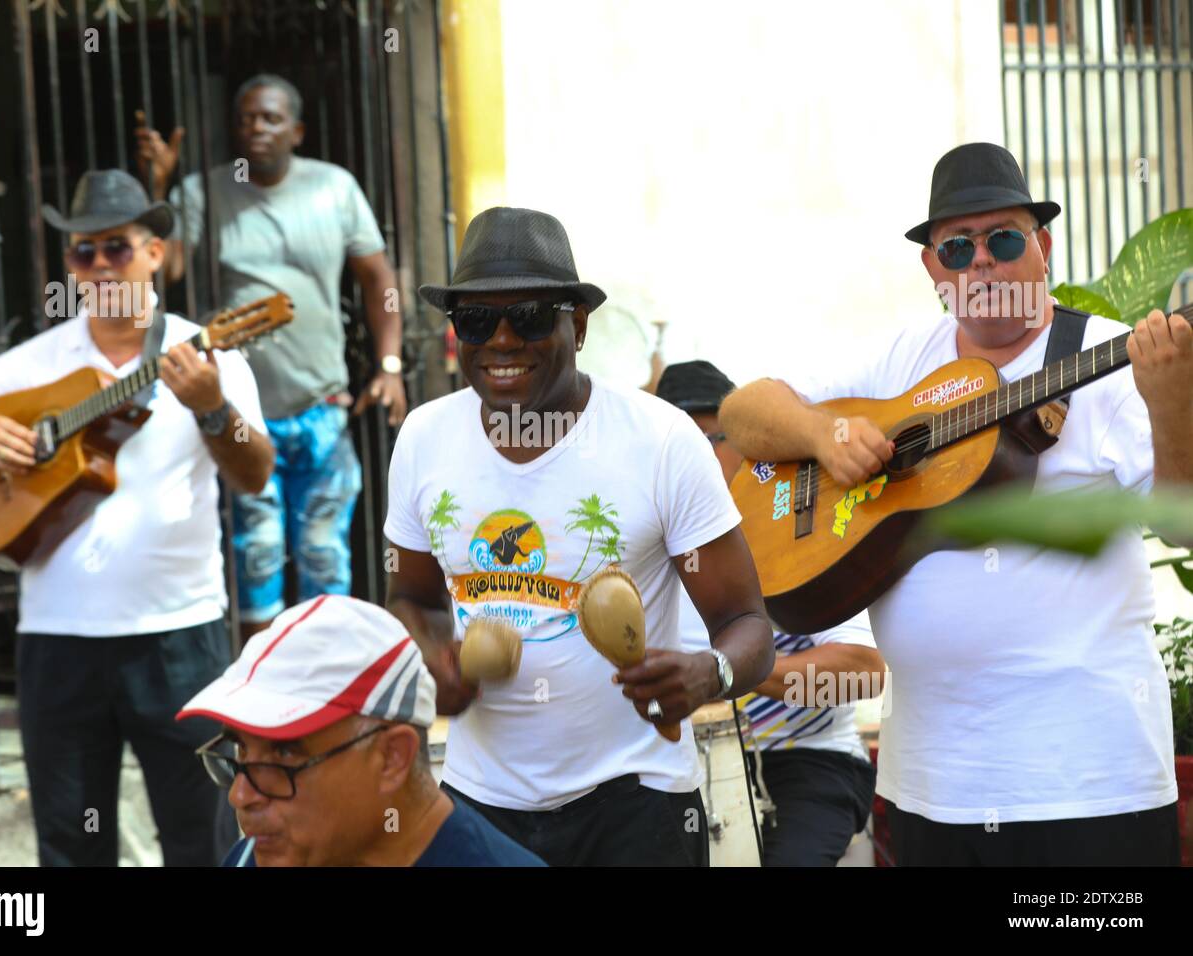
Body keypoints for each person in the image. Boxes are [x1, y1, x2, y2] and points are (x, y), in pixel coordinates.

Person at [720, 142, 1191, 866]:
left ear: (1042, 247)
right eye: (957, 247)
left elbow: (1177, 521)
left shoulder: (1108, 357)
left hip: (1090, 783)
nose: (983, 263)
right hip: (935, 788)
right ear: (933, 268)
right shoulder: (900, 358)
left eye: (1003, 239)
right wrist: (825, 433)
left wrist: (1173, 407)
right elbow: (745, 411)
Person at [383, 207, 775, 867]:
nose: (501, 340)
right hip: (479, 805)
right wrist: (436, 660)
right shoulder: (424, 438)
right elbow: (412, 600)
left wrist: (710, 673)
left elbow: (747, 625)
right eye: (476, 320)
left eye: (530, 315)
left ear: (580, 325)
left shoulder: (660, 439)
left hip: (638, 801)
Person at [0, 169, 275, 865]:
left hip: (177, 637)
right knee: (71, 847)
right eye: (83, 252)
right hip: (58, 643)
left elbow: (255, 474)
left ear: (155, 253)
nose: (101, 265)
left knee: (203, 837)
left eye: (117, 247)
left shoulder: (205, 352)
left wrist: (212, 409)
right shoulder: (34, 365)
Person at [135, 74, 406, 642]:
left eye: (271, 119)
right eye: (246, 119)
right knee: (256, 553)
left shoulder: (334, 188)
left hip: (322, 404)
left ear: (298, 130)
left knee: (323, 550)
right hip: (238, 412)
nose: (256, 129)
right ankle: (265, 687)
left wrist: (389, 366)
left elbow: (379, 277)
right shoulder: (203, 192)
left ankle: (327, 681)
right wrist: (158, 189)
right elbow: (166, 274)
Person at [657, 360, 885, 867]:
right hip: (680, 762)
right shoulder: (640, 538)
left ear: (747, 445)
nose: (699, 459)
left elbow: (864, 673)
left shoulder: (796, 526)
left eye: (713, 439)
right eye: (681, 444)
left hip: (804, 759)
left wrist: (725, 671)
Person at [178, 595, 544, 866]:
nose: (241, 795)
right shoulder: (249, 859)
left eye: (284, 753)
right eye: (241, 750)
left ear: (391, 757)